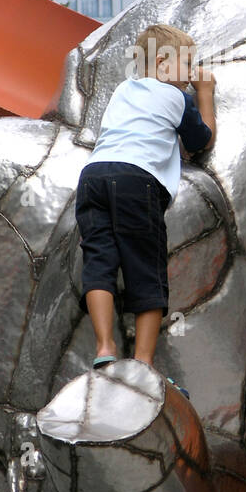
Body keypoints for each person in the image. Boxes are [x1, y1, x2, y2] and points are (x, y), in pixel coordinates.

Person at [75, 24, 216, 380]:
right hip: (136, 181)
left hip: (92, 176)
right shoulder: (177, 98)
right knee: (146, 268)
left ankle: (105, 349)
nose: (189, 75)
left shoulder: (123, 90)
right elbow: (202, 140)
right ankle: (142, 363)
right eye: (187, 65)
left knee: (99, 261)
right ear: (166, 65)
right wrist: (205, 93)